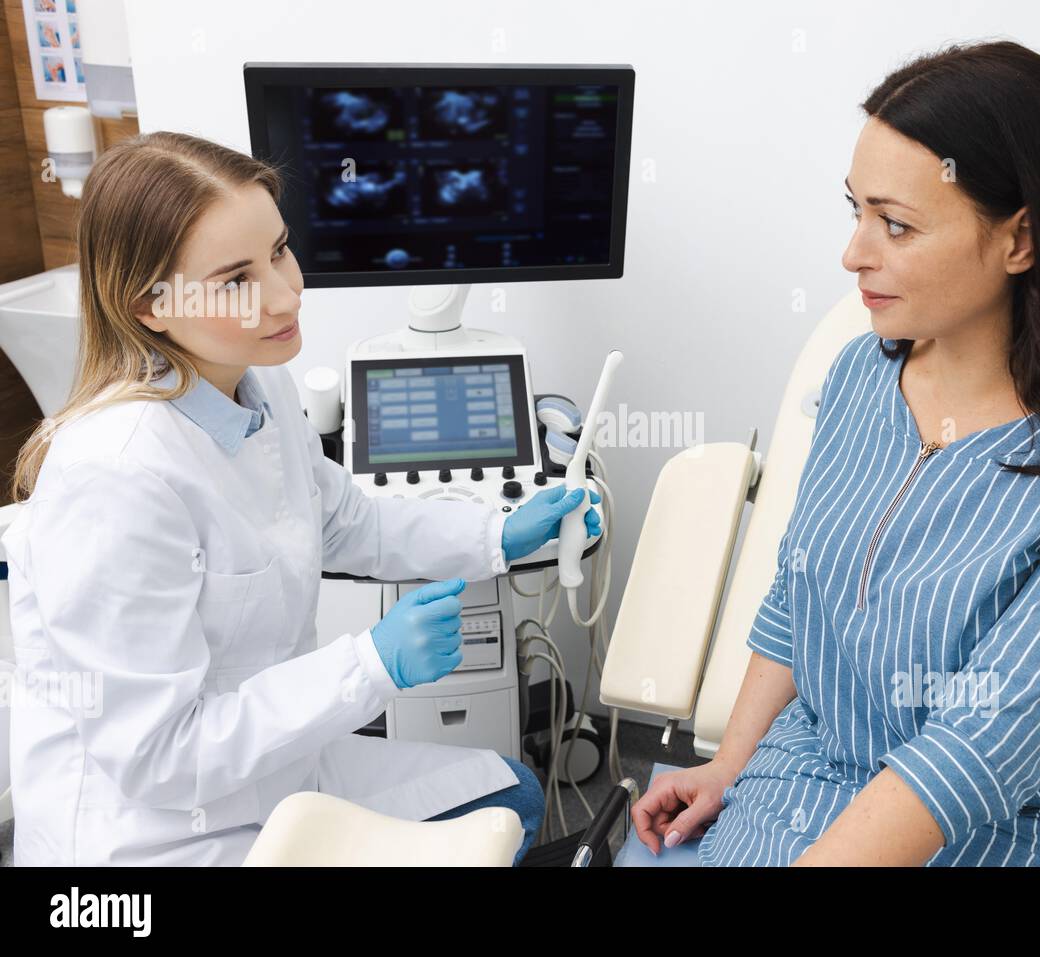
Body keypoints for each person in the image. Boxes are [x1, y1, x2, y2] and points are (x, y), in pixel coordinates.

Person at [632, 40, 1040, 866]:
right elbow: (801, 591)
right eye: (856, 211)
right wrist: (731, 763)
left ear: (1022, 240)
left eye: (896, 225)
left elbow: (988, 741)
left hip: (1031, 822)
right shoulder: (861, 374)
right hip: (819, 774)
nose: (854, 253)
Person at [2, 131, 600, 866]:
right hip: (150, 837)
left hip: (271, 773)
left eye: (280, 249)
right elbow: (156, 756)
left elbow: (352, 521)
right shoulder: (113, 478)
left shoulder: (258, 385)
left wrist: (500, 533)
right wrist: (371, 664)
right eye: (237, 280)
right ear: (151, 306)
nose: (288, 292)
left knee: (511, 794)